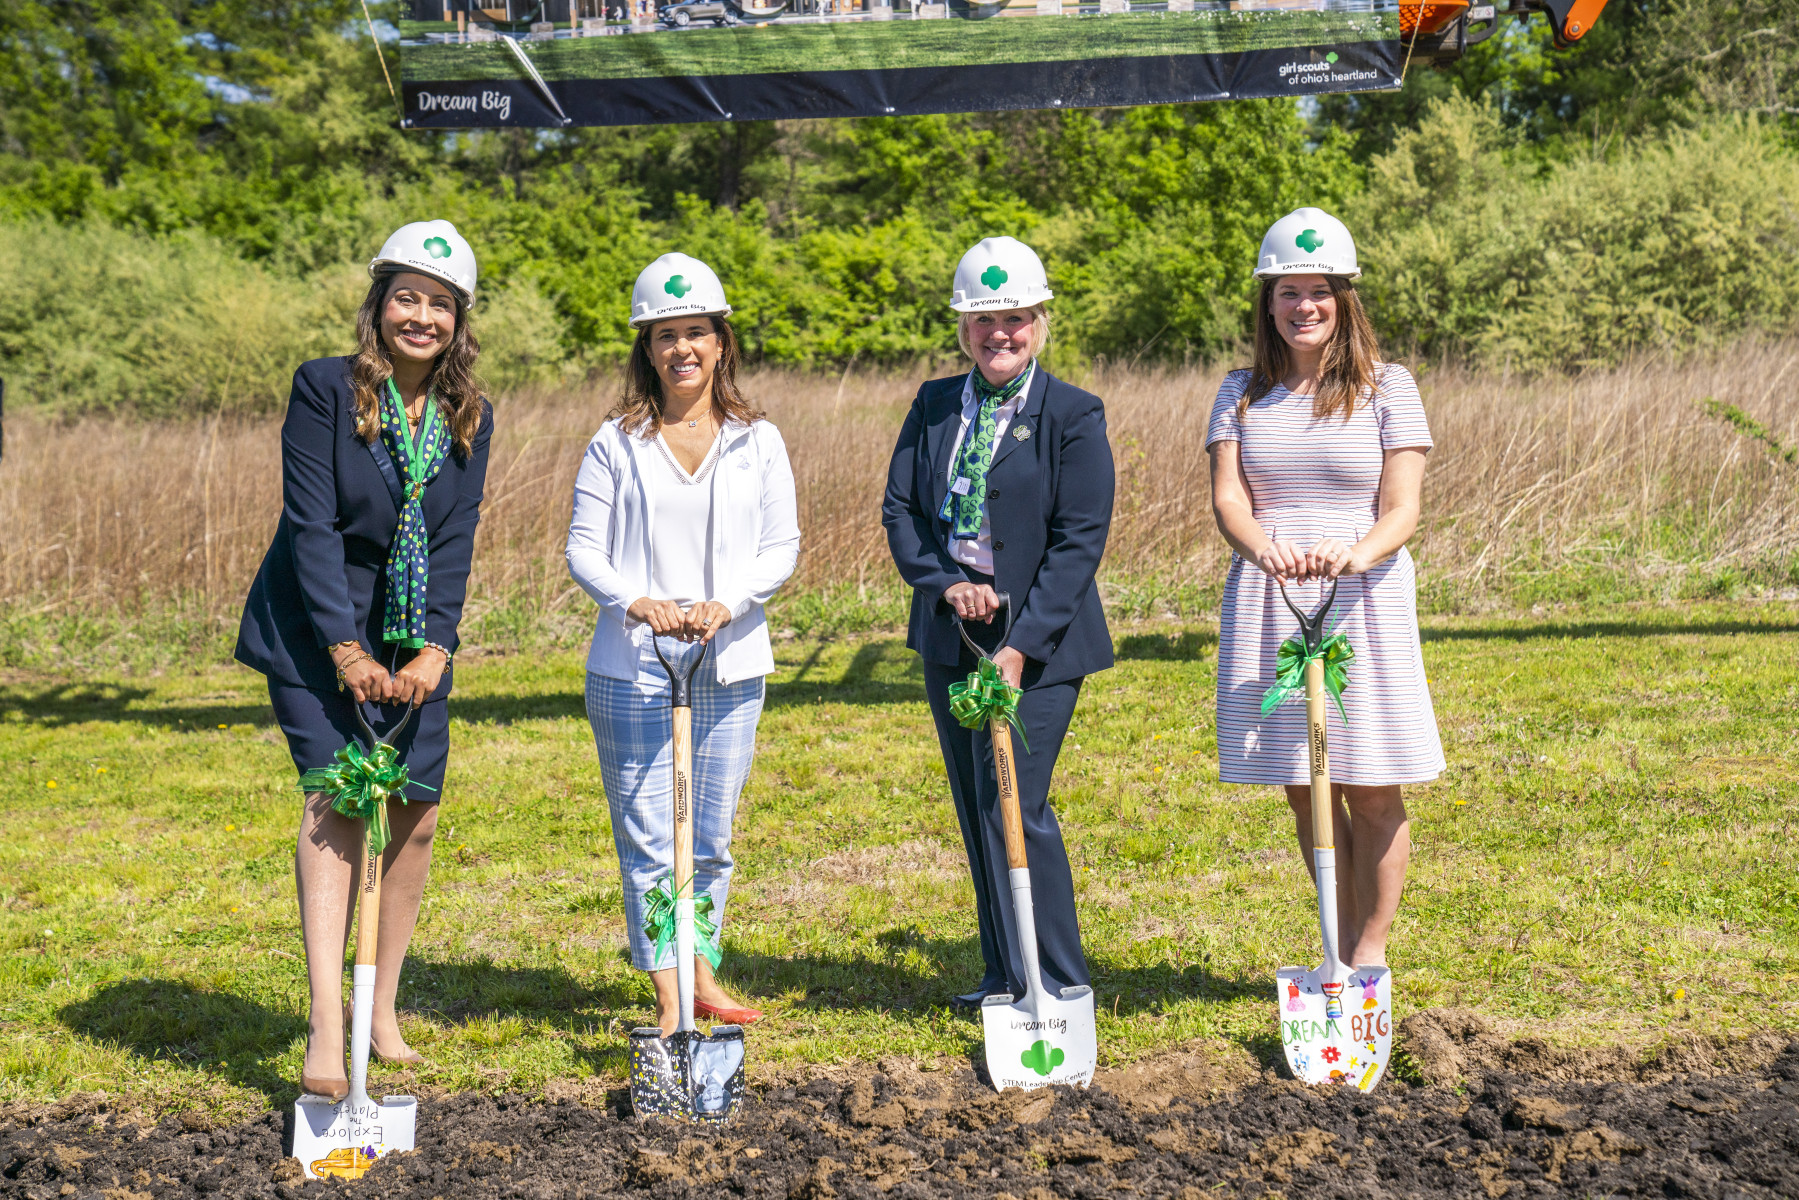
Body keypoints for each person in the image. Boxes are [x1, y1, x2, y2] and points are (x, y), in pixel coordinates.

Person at [235, 220, 493, 1100]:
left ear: (460, 321)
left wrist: (436, 647)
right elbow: (311, 526)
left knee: (414, 812)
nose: (420, 316)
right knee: (338, 797)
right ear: (379, 305)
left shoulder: (470, 414)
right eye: (406, 297)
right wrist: (345, 649)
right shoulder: (325, 390)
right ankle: (323, 1020)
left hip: (410, 636)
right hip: (316, 629)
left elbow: (455, 535)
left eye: (440, 304)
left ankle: (379, 1008)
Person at [1205, 207, 1445, 970]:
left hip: (1362, 599)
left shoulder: (1387, 386)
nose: (1302, 306)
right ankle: (1332, 951)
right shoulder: (1238, 391)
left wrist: (1355, 552)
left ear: (1344, 299)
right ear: (1266, 303)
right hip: (1272, 599)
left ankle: (1367, 955)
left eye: (1318, 290)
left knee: (1369, 781)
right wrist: (1264, 550)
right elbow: (1229, 500)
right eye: (1286, 291)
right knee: (1305, 786)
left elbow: (1402, 507)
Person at [566, 252, 799, 1034]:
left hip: (728, 660)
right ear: (647, 348)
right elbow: (584, 549)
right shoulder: (615, 442)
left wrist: (728, 605)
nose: (682, 349)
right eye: (666, 335)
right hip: (633, 664)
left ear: (721, 341)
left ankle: (702, 969)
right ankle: (670, 1003)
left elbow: (780, 546)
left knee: (709, 837)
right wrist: (633, 600)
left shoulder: (758, 440)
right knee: (650, 839)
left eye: (696, 331)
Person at [882, 236, 1115, 1010]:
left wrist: (1018, 646)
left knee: (1014, 795)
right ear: (962, 330)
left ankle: (1055, 977)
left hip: (1040, 642)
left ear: (1040, 321)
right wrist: (945, 585)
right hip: (953, 631)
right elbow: (903, 512)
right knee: (971, 796)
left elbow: (1078, 541)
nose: (998, 334)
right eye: (982, 321)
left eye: (1014, 317)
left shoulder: (1073, 414)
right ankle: (1002, 974)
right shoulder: (933, 404)